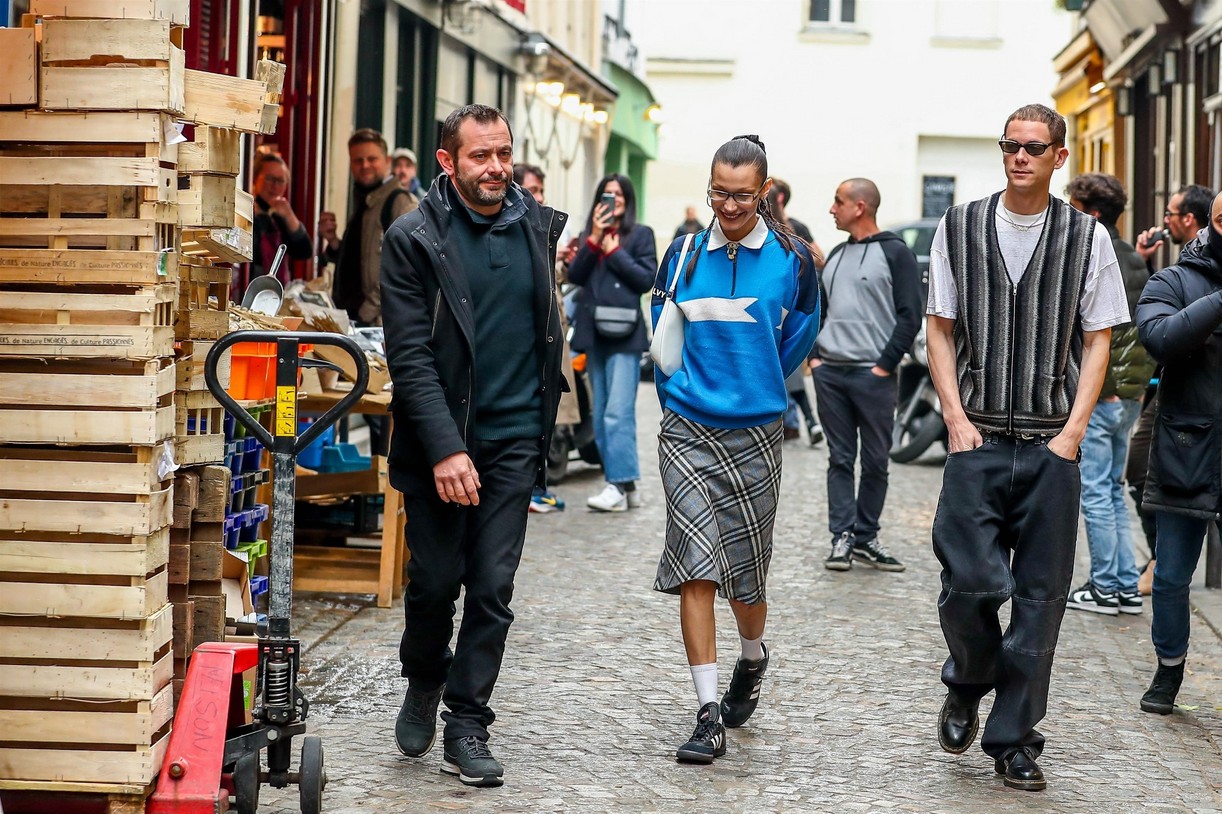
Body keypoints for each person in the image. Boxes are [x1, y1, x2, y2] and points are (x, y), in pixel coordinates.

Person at [926, 104, 1128, 792]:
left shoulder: (1086, 238)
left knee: (1041, 602)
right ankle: (970, 677)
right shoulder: (960, 225)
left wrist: (1073, 433)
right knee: (972, 583)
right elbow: (940, 328)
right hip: (975, 437)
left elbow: (1100, 338)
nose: (1020, 156)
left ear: (1058, 157)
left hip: (1050, 446)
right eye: (1010, 145)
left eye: (1034, 148)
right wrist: (953, 417)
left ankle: (1013, 739)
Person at [381, 104, 567, 788]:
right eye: (480, 156)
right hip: (442, 444)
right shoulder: (413, 239)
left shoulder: (534, 228)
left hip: (515, 438)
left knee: (492, 587)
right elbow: (411, 357)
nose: (496, 168)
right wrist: (444, 449)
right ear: (447, 161)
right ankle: (425, 676)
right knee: (434, 585)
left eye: (503, 154)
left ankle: (466, 723)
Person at [652, 134, 819, 764]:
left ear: (765, 193)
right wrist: (679, 393)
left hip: (754, 434)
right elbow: (662, 329)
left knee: (746, 580)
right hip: (688, 428)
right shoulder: (682, 253)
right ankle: (706, 712)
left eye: (741, 195)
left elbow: (798, 338)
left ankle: (752, 657)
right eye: (719, 191)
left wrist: (756, 386)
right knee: (696, 563)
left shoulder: (794, 260)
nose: (728, 204)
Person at [1134, 192, 1222, 716]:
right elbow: (1159, 339)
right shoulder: (1174, 279)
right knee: (1170, 576)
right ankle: (1169, 669)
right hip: (1187, 444)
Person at [813, 178, 922, 572]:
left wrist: (884, 366)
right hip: (831, 375)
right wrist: (815, 359)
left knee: (876, 461)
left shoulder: (896, 253)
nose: (832, 208)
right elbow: (819, 310)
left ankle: (866, 537)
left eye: (838, 201)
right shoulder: (838, 255)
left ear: (860, 207)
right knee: (840, 458)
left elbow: (911, 314)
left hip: (872, 376)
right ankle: (841, 537)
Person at [1064, 173, 1156, 616]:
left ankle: (1103, 587)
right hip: (1132, 392)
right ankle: (1121, 585)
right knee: (1113, 489)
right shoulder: (1134, 259)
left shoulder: (1093, 254)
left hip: (1105, 393)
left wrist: (1101, 390)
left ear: (1093, 213)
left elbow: (1101, 333)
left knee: (1098, 491)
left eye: (1074, 204)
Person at [567, 174, 657, 512]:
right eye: (606, 193)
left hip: (625, 336)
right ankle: (626, 482)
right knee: (603, 413)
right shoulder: (589, 235)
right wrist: (593, 239)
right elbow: (576, 276)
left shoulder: (640, 235)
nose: (613, 199)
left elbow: (646, 279)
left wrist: (615, 251)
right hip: (594, 334)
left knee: (618, 414)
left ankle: (616, 485)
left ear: (628, 200)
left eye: (619, 194)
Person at [511, 162, 575, 515]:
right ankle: (528, 489)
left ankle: (535, 486)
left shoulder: (542, 227)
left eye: (541, 190)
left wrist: (561, 260)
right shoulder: (515, 229)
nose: (540, 197)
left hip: (551, 332)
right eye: (533, 189)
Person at [320, 129, 418, 327]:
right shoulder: (366, 199)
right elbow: (362, 258)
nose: (365, 165)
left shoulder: (400, 203)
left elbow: (406, 267)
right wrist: (334, 242)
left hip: (376, 328)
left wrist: (367, 313)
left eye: (372, 159)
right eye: (358, 160)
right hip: (355, 322)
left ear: (387, 161)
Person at [767, 182, 825, 446]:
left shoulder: (794, 229)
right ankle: (802, 423)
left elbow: (819, 258)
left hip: (787, 310)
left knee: (788, 371)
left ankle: (801, 423)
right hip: (779, 311)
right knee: (789, 374)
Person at [250, 153, 313, 288]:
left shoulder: (279, 218)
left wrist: (289, 216)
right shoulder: (246, 212)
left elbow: (304, 251)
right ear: (255, 179)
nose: (275, 186)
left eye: (281, 181)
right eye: (270, 179)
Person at [1135, 184, 1213, 268]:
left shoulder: (1196, 263)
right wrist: (1142, 259)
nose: (1166, 219)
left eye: (1170, 214)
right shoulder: (1198, 257)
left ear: (1188, 219)